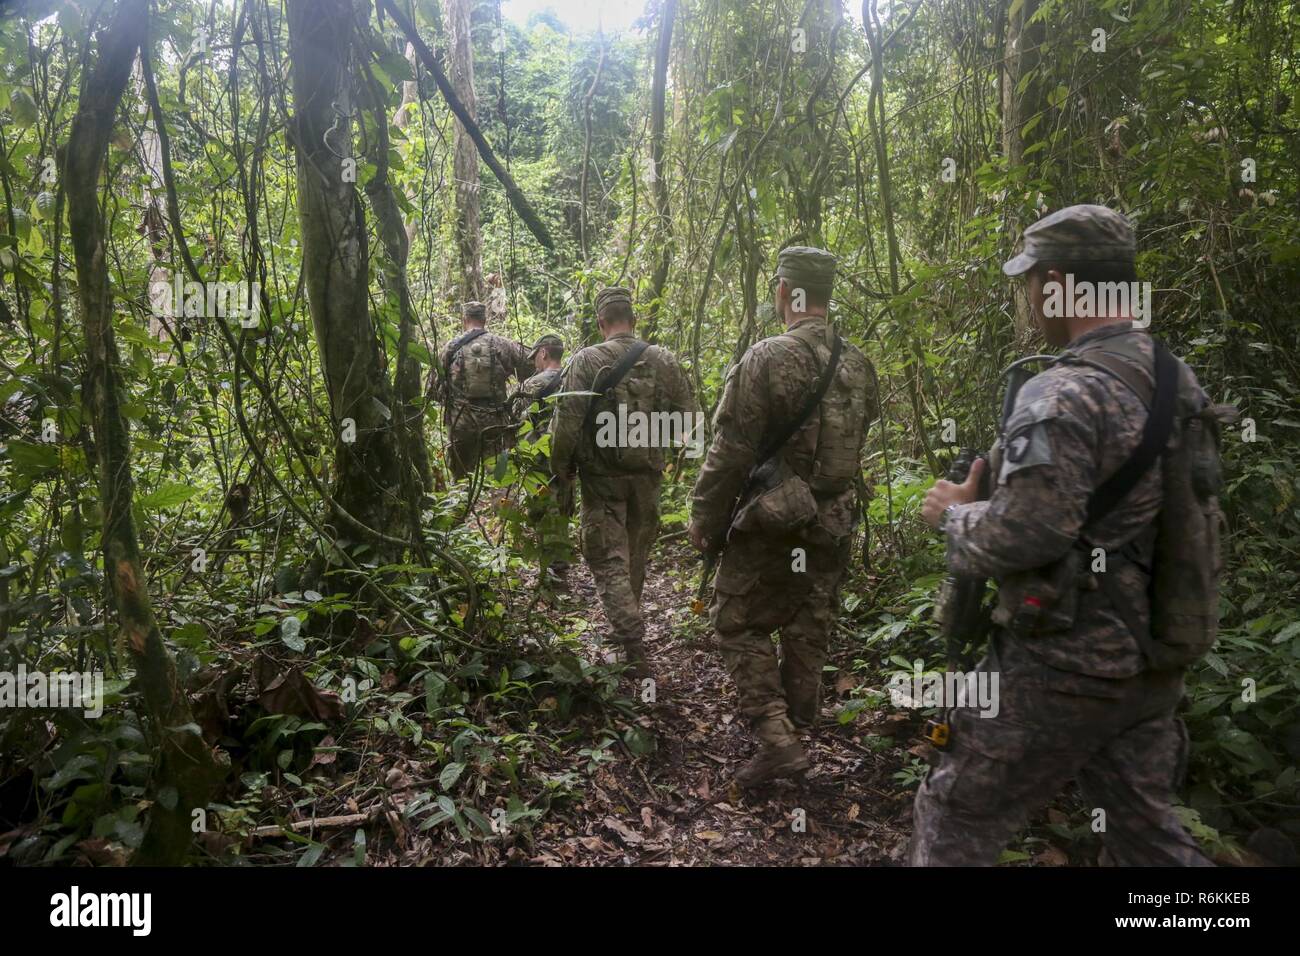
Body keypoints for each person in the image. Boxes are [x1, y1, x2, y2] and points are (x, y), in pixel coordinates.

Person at [910, 204, 1215, 866]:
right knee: (1145, 836)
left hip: (1065, 665)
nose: (1027, 296)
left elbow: (1030, 533)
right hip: (1151, 657)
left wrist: (953, 515)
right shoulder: (1174, 379)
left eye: (1030, 282)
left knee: (955, 814)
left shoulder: (1062, 394)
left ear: (1056, 284)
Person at [688, 247, 877, 788]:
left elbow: (732, 450)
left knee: (735, 618)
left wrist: (704, 515)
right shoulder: (858, 362)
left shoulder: (767, 357)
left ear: (784, 292)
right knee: (809, 619)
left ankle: (777, 739)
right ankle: (796, 725)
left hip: (774, 516)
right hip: (834, 516)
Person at [550, 287, 697, 677]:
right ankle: (625, 633)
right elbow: (691, 421)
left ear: (602, 323)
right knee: (633, 552)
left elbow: (566, 422)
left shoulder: (587, 360)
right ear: (633, 319)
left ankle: (631, 640)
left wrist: (560, 467)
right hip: (647, 476)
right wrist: (660, 443)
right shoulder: (663, 360)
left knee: (606, 556)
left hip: (602, 478)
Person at [439, 301, 531, 479]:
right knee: (499, 478)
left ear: (464, 319)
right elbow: (532, 366)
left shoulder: (450, 347)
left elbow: (436, 389)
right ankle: (500, 506)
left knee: (461, 480)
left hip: (461, 423)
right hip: (495, 422)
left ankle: (461, 506)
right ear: (485, 319)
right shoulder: (502, 345)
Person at [510, 333, 572, 584]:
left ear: (544, 353)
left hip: (538, 459)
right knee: (563, 507)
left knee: (543, 510)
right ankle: (561, 564)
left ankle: (552, 568)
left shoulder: (532, 385)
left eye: (535, 356)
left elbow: (517, 421)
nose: (534, 361)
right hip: (567, 456)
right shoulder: (575, 379)